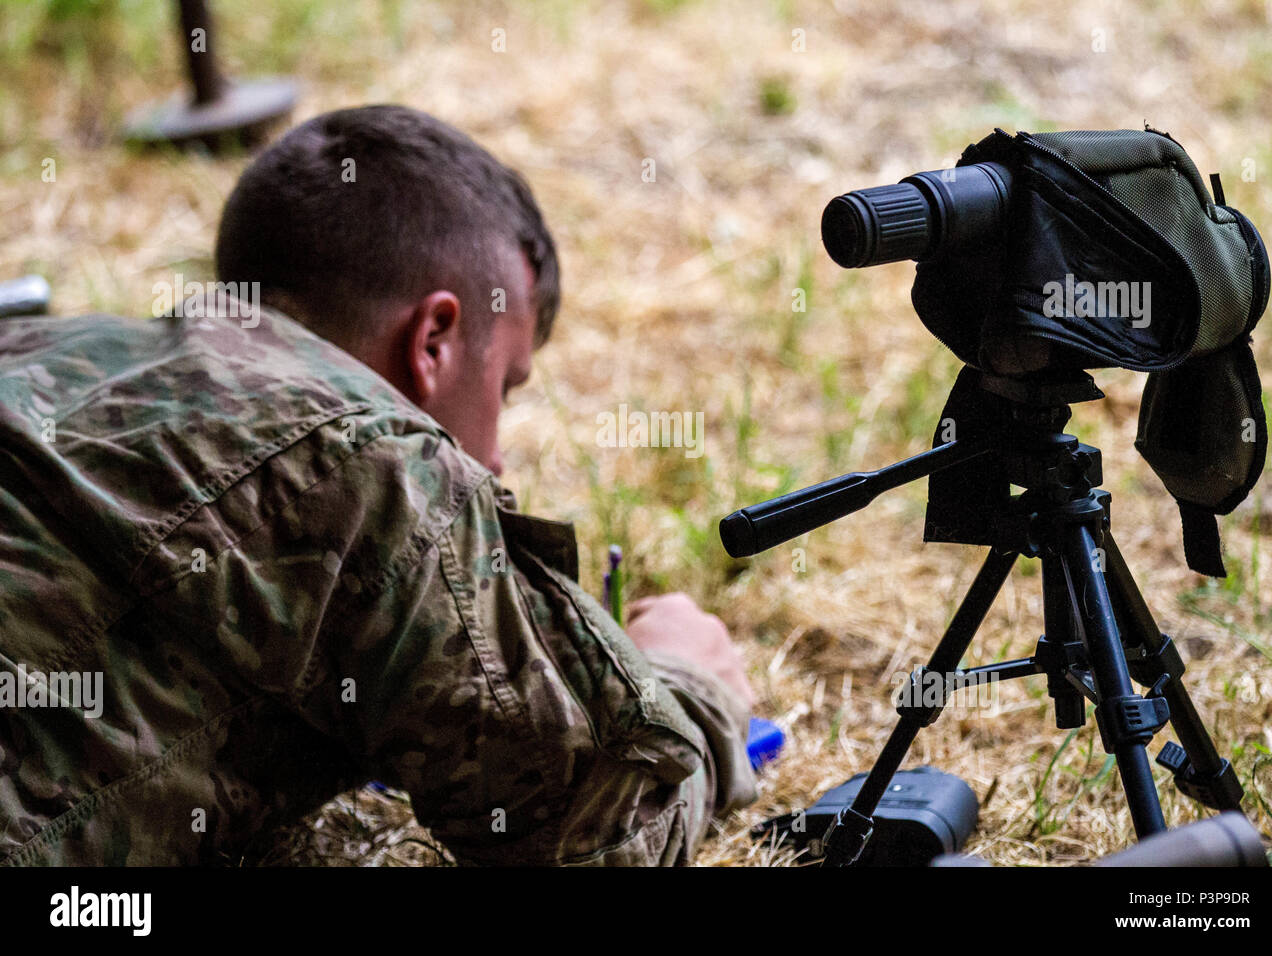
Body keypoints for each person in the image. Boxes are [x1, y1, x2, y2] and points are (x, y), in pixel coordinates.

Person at [0, 104, 756, 866]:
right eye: (505, 388)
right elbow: (596, 840)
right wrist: (689, 684)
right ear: (433, 340)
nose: (495, 458)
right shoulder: (374, 464)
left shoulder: (38, 346)